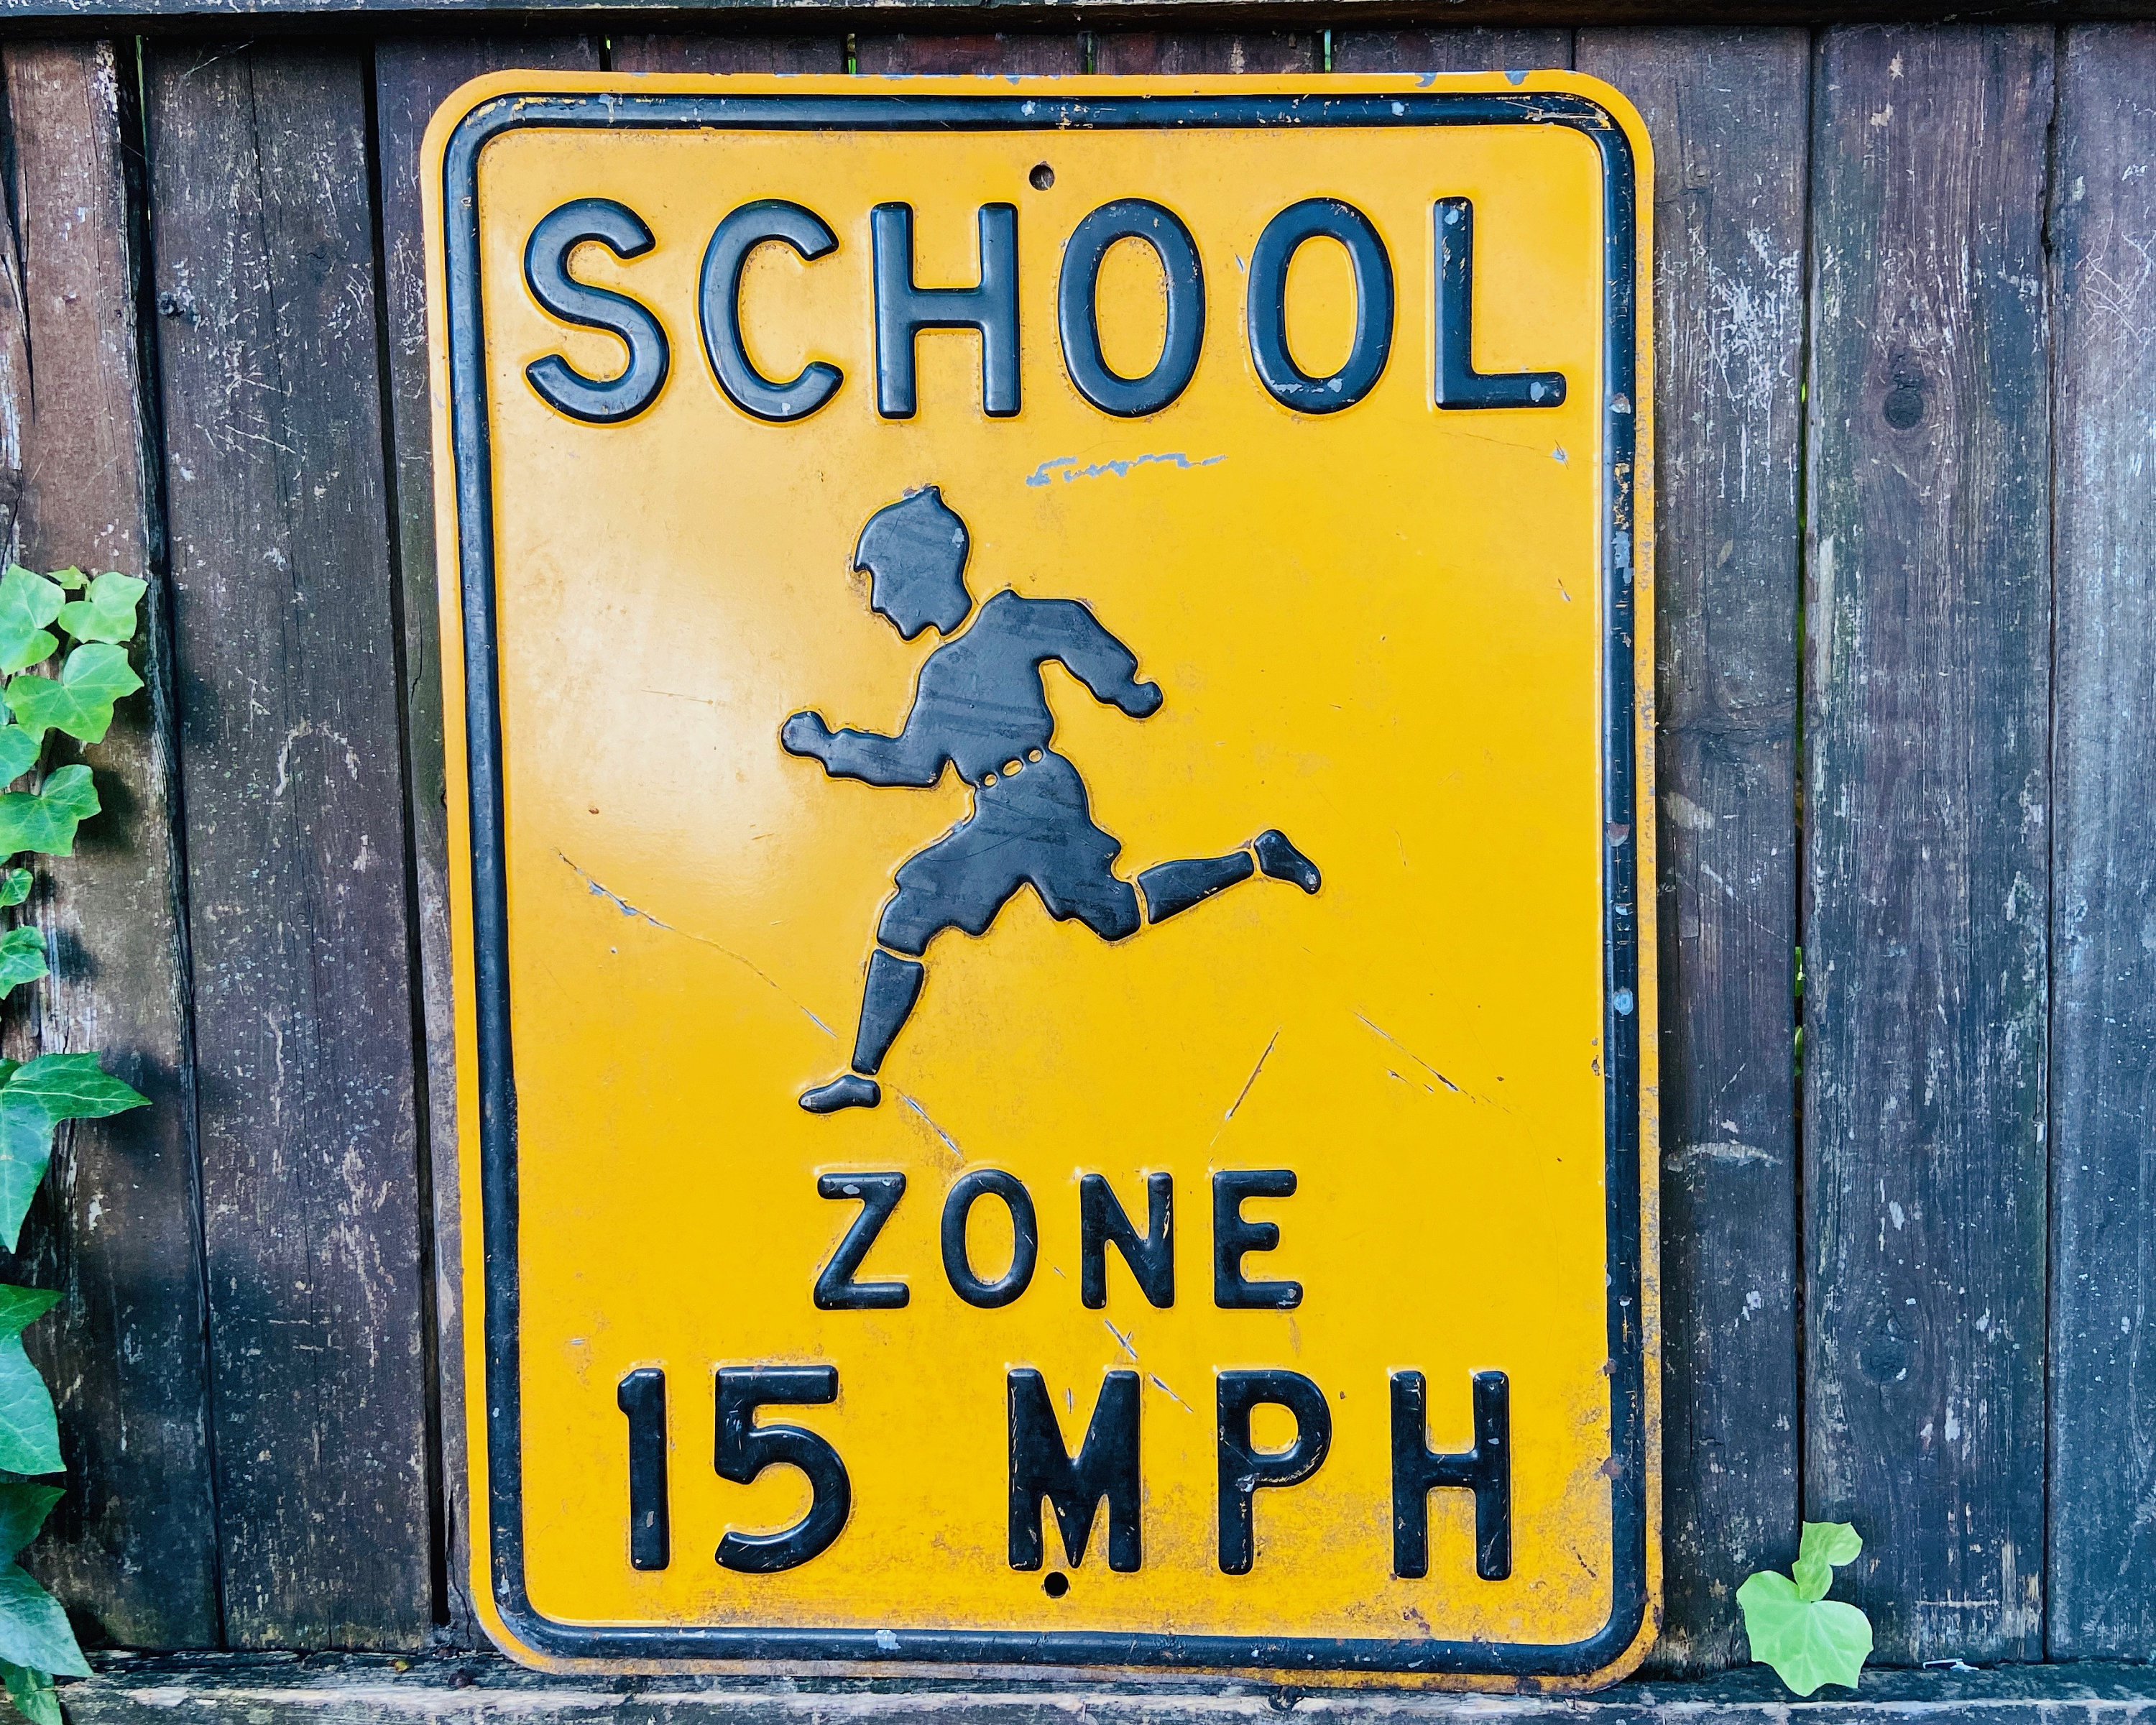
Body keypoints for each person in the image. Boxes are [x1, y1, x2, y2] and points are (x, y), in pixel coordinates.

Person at [783, 486, 1321, 1113]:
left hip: (1037, 797)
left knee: (1070, 913)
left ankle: (1257, 857)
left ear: (923, 570)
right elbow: (913, 761)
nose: (875, 600)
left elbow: (1066, 622)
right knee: (974, 912)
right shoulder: (940, 673)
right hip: (1001, 809)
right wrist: (832, 749)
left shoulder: (1004, 623)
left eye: (883, 579)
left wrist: (1122, 684)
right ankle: (862, 1076)